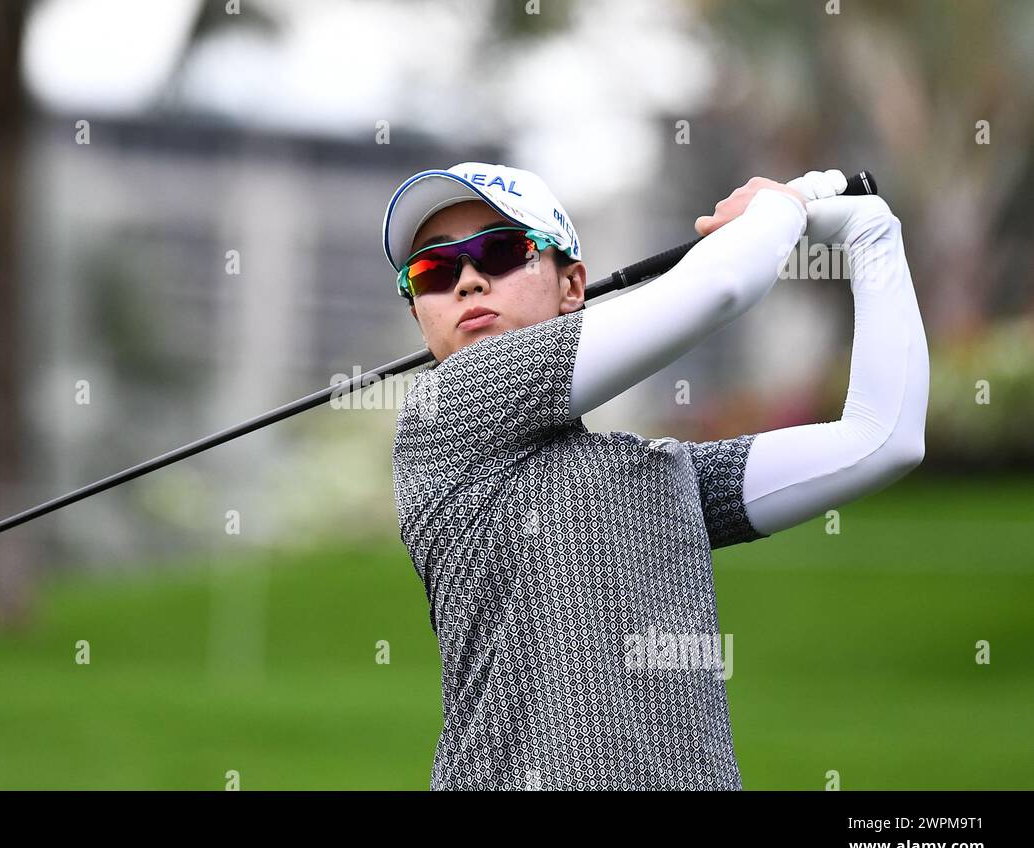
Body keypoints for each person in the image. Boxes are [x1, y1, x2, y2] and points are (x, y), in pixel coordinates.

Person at [382, 162, 929, 790]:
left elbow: (882, 441)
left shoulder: (660, 473)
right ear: (418, 311)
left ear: (572, 285)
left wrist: (870, 235)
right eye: (433, 270)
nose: (470, 280)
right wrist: (784, 208)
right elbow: (722, 284)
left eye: (501, 250)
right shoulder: (445, 412)